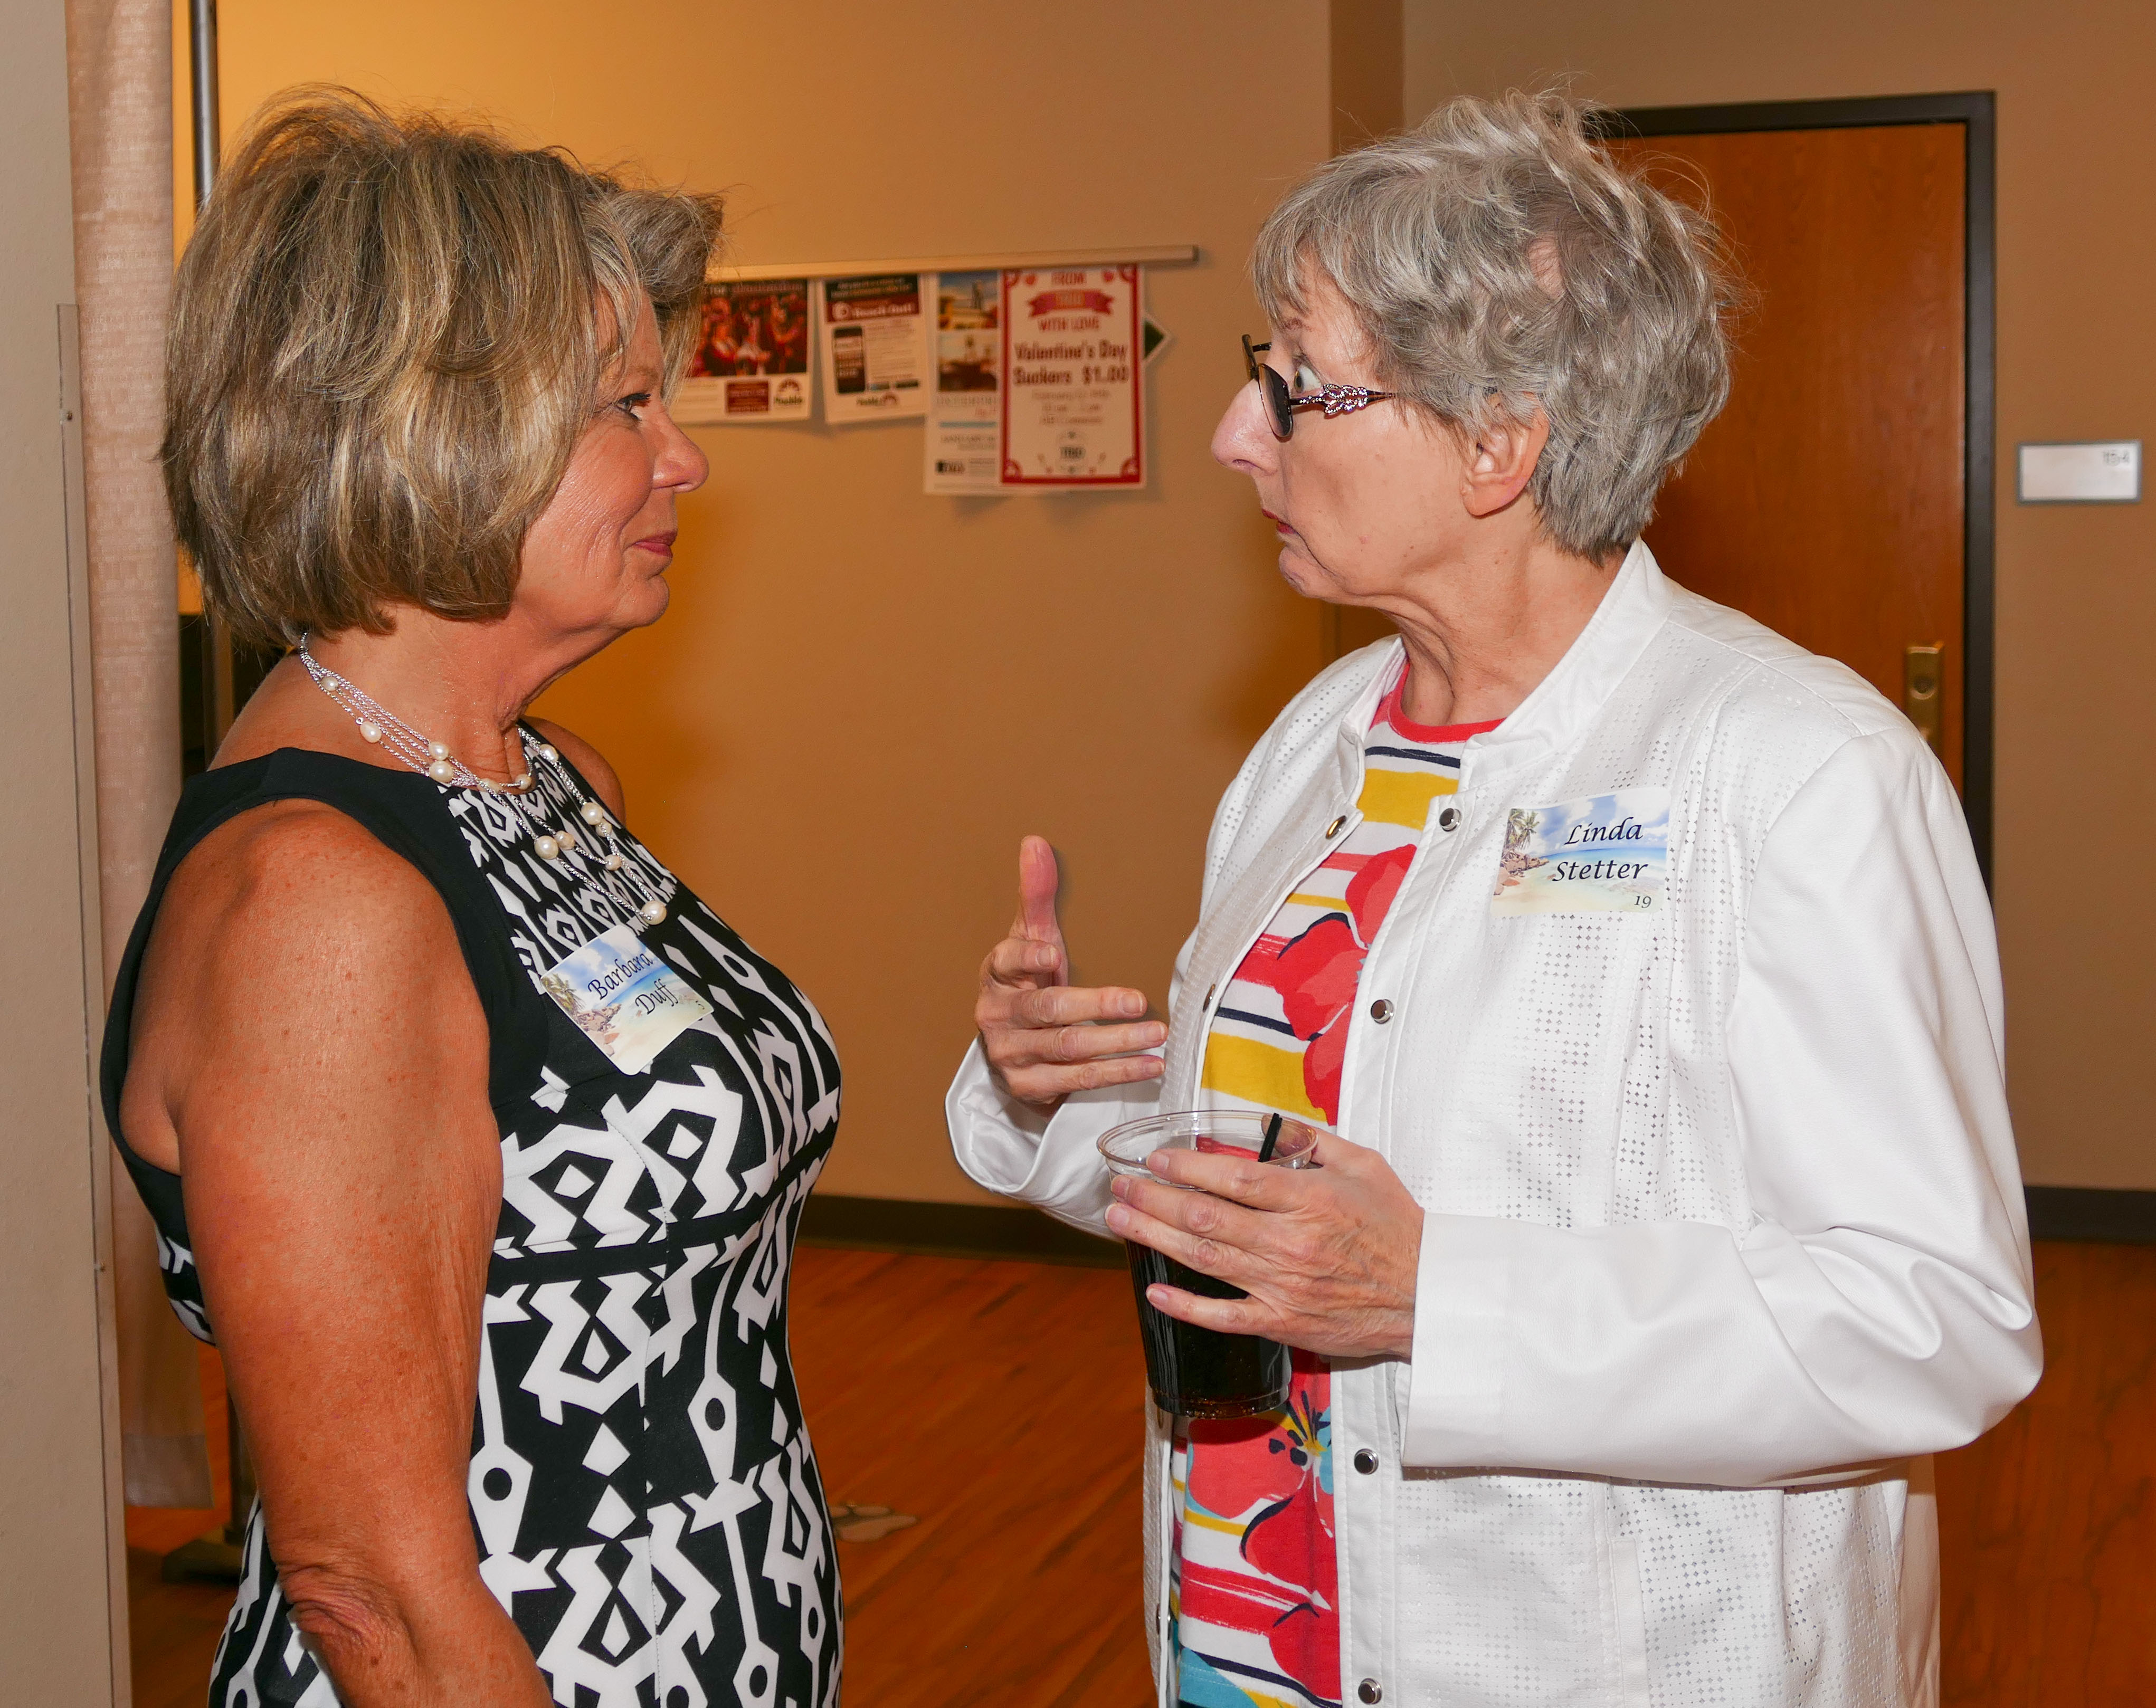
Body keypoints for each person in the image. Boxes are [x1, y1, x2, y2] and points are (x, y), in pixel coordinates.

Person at [951, 91, 2039, 1708]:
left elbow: (1932, 1319)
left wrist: (1435, 1298)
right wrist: (1071, 1092)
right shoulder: (1320, 741)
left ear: (1496, 442)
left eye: (1295, 384)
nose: (1237, 437)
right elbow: (1288, 1160)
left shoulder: (1800, 771)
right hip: (1258, 1627)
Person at [107, 92, 842, 1706]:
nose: (684, 459)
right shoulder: (324, 904)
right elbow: (372, 1588)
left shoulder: (547, 780)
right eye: (623, 411)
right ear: (426, 430)